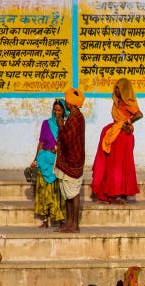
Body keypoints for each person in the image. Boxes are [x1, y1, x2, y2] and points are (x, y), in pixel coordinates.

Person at [91, 78, 143, 205]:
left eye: (119, 88)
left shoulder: (128, 102)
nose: (116, 90)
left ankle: (122, 195)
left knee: (123, 165)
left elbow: (139, 114)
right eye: (116, 88)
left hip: (124, 136)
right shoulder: (116, 102)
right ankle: (109, 192)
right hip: (115, 134)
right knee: (111, 165)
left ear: (125, 89)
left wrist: (127, 122)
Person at [30, 99, 67, 228]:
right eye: (55, 110)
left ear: (64, 111)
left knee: (57, 191)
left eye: (59, 110)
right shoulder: (46, 123)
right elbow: (41, 142)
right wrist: (35, 159)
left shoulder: (66, 125)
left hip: (58, 161)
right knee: (44, 191)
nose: (56, 112)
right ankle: (45, 220)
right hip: (44, 159)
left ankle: (60, 219)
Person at [55, 88, 86, 233]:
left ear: (71, 103)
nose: (65, 102)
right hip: (67, 161)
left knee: (73, 194)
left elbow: (67, 139)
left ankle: (75, 224)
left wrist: (60, 124)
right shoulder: (74, 116)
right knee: (67, 194)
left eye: (66, 100)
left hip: (73, 161)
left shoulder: (75, 118)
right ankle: (69, 223)